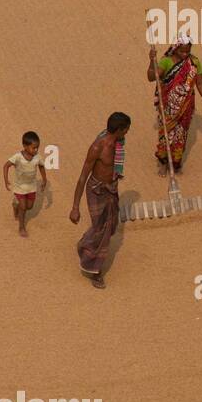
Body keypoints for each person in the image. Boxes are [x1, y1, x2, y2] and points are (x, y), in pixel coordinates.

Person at [70, 113, 131, 289]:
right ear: (119, 130)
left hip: (111, 189)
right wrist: (75, 207)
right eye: (126, 129)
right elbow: (82, 177)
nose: (127, 132)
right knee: (101, 232)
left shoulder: (118, 143)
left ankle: (84, 243)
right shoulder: (98, 148)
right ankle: (94, 270)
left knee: (110, 226)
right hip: (97, 191)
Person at [147, 34, 202, 174]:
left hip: (186, 106)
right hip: (168, 107)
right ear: (175, 48)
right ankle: (163, 164)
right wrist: (151, 61)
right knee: (166, 134)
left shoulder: (194, 63)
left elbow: (199, 83)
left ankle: (175, 163)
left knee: (180, 135)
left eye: (187, 51)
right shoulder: (166, 62)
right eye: (182, 51)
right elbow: (151, 77)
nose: (185, 54)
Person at [4, 132, 47, 238]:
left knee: (29, 206)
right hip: (19, 187)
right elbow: (6, 166)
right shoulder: (17, 157)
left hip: (31, 187)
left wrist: (44, 179)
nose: (36, 150)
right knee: (23, 207)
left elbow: (41, 166)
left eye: (37, 148)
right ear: (25, 146)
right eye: (34, 148)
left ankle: (15, 205)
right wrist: (6, 180)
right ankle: (21, 227)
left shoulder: (37, 157)